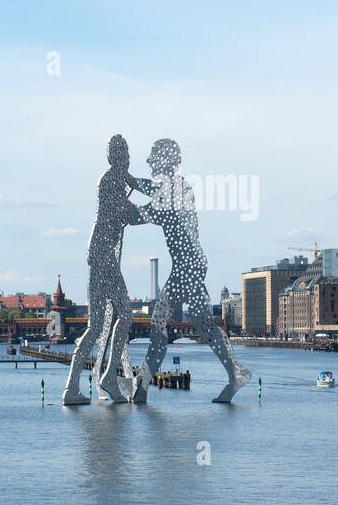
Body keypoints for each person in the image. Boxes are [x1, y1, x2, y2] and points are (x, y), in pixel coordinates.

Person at [127, 139, 251, 402]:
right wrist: (131, 180)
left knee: (159, 322)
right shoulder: (177, 187)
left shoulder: (175, 190)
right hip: (191, 264)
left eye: (153, 157)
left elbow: (145, 214)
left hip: (188, 265)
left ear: (166, 160)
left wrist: (119, 209)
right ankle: (234, 374)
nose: (149, 162)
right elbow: (153, 190)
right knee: (204, 325)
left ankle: (142, 387)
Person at [61, 135, 140, 404]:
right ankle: (107, 378)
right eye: (123, 154)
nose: (127, 158)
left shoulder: (116, 178)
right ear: (114, 157)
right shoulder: (111, 181)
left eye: (127, 153)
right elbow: (130, 213)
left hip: (98, 254)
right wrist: (161, 211)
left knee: (95, 326)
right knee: (126, 315)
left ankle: (72, 388)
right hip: (104, 255)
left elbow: (136, 186)